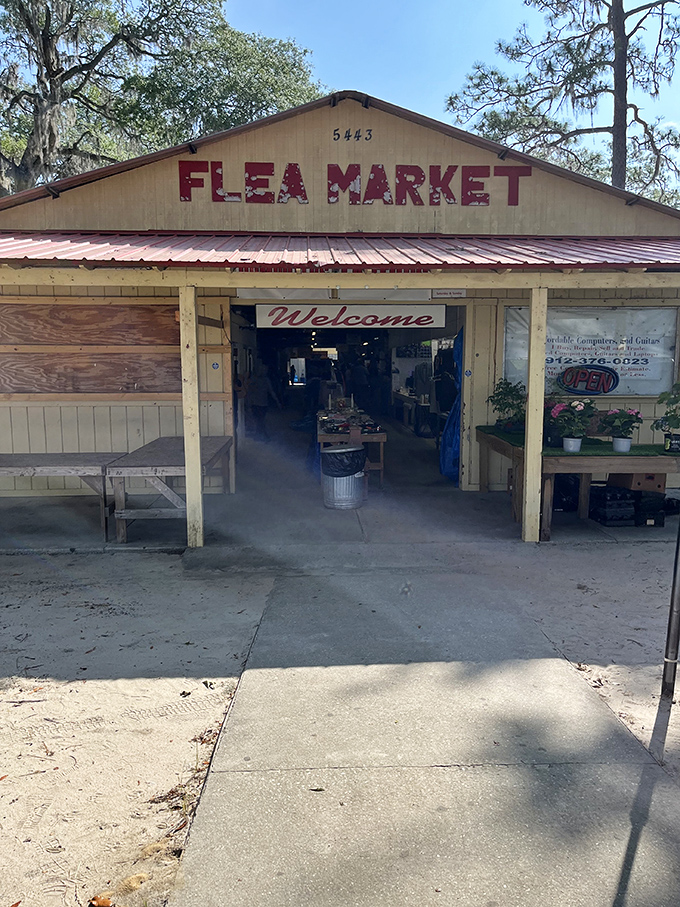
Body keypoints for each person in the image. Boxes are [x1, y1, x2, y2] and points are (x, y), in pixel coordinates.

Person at [247, 363, 281, 441]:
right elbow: (249, 392)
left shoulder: (266, 380)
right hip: (255, 403)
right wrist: (249, 403)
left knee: (260, 420)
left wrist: (277, 401)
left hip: (263, 403)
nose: (264, 371)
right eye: (262, 370)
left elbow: (271, 391)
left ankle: (260, 436)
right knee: (259, 420)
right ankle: (263, 436)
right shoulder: (253, 379)